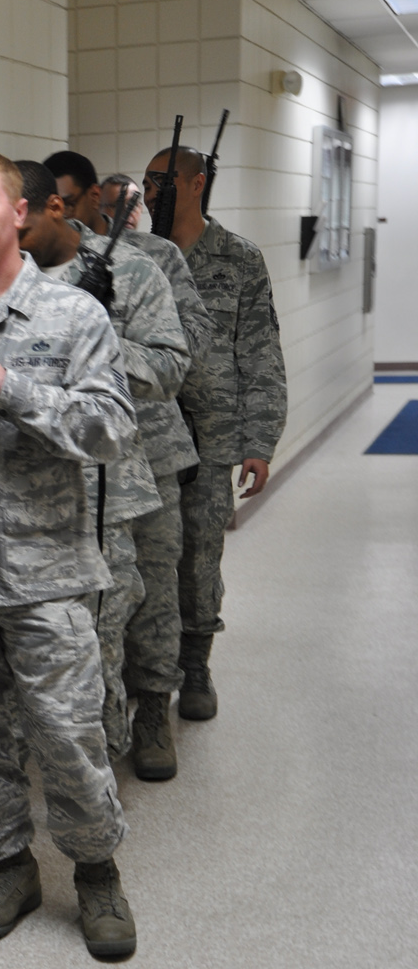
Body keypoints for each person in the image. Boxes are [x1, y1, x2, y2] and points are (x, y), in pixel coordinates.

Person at [0, 152, 140, 961]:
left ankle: (96, 866)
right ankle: (11, 861)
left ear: (20, 213)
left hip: (45, 568)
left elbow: (112, 429)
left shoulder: (72, 316)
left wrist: (13, 389)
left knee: (67, 729)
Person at [13, 160, 189, 765]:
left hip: (117, 481)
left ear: (53, 209)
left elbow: (170, 367)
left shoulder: (132, 270)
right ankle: (83, 753)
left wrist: (97, 337)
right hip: (30, 492)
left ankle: (138, 727)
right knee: (67, 640)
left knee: (128, 615)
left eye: (21, 224)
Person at [142, 141, 287, 719]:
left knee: (199, 555)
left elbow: (260, 353)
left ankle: (196, 662)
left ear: (196, 183)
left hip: (212, 435)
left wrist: (260, 441)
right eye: (147, 182)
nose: (151, 191)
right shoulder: (135, 256)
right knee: (150, 559)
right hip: (147, 436)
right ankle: (146, 671)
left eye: (162, 181)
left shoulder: (238, 258)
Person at [99, 172, 216, 778]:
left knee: (156, 592)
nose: (113, 215)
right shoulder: (42, 276)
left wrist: (105, 339)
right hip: (85, 463)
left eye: (127, 205)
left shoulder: (157, 259)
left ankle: (152, 711)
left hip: (153, 448)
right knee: (103, 601)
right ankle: (102, 717)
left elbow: (188, 341)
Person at [44, 149, 108, 235]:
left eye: (67, 206)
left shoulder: (129, 245)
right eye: (52, 208)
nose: (58, 216)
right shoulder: (49, 245)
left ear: (95, 196)